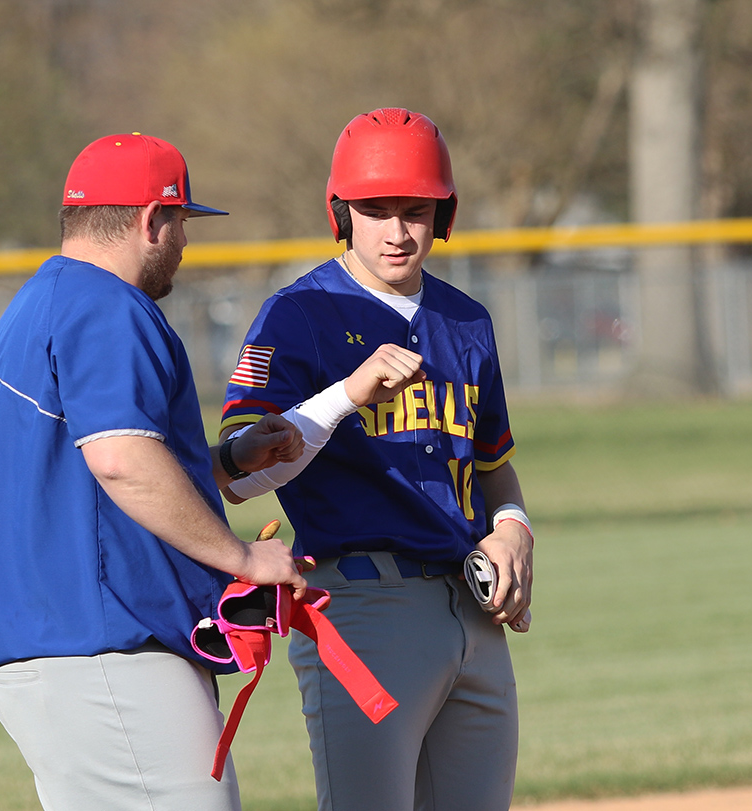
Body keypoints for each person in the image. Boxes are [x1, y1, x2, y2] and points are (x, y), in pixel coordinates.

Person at [0, 132, 309, 811]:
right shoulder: (107, 304)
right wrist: (242, 554)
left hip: (46, 646)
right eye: (181, 223)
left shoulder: (30, 310)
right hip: (106, 649)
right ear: (153, 220)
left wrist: (227, 459)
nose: (184, 242)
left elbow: (87, 475)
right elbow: (121, 462)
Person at [219, 108, 534, 811]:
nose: (397, 230)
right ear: (341, 212)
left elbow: (493, 467)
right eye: (375, 209)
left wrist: (514, 526)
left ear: (442, 213)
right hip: (361, 605)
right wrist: (346, 393)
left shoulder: (465, 319)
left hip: (472, 612)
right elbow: (240, 475)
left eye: (415, 210)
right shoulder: (297, 313)